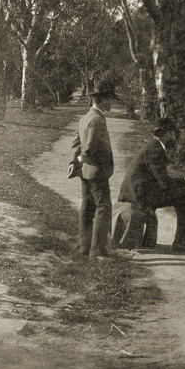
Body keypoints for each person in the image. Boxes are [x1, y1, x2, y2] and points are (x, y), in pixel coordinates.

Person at [112, 117, 185, 251]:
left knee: (184, 194)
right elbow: (164, 183)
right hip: (139, 196)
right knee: (184, 196)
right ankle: (182, 241)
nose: (174, 137)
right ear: (167, 133)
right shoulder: (155, 151)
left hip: (140, 191)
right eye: (173, 133)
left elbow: (160, 180)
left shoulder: (154, 146)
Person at [70, 81, 117, 258]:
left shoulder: (86, 117)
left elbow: (76, 142)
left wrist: (73, 162)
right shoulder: (97, 121)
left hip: (85, 173)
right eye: (110, 99)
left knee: (87, 208)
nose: (112, 103)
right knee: (103, 208)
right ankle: (98, 252)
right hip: (97, 172)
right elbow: (88, 148)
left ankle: (85, 248)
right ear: (102, 99)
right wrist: (81, 158)